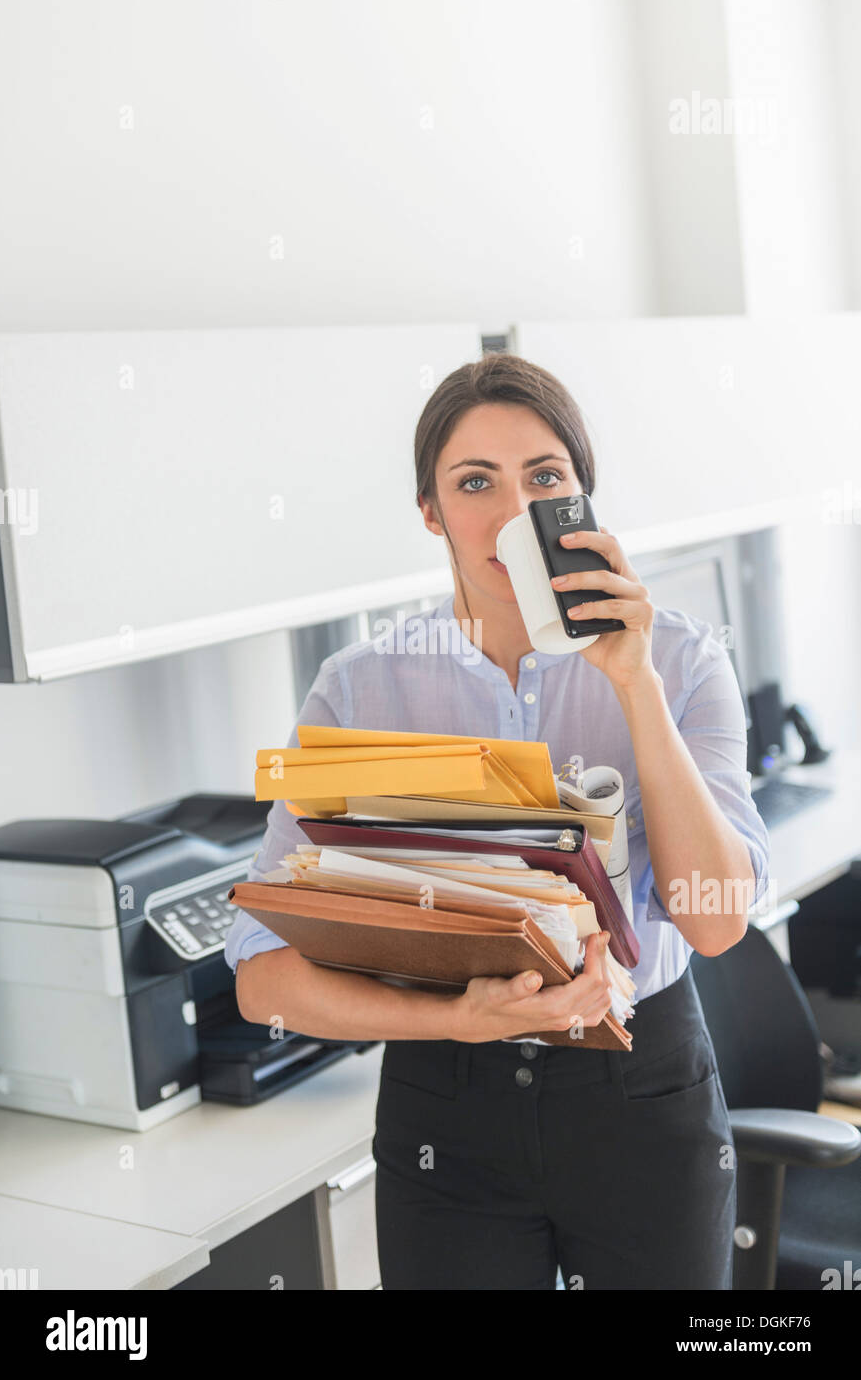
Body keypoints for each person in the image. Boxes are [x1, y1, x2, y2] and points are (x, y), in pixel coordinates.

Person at [225, 353, 771, 1290]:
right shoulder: (360, 688)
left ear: (582, 498)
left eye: (544, 477)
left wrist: (631, 686)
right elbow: (262, 983)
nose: (513, 509)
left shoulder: (679, 660)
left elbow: (715, 921)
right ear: (431, 513)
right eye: (474, 481)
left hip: (639, 1094)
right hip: (446, 1106)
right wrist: (452, 1016)